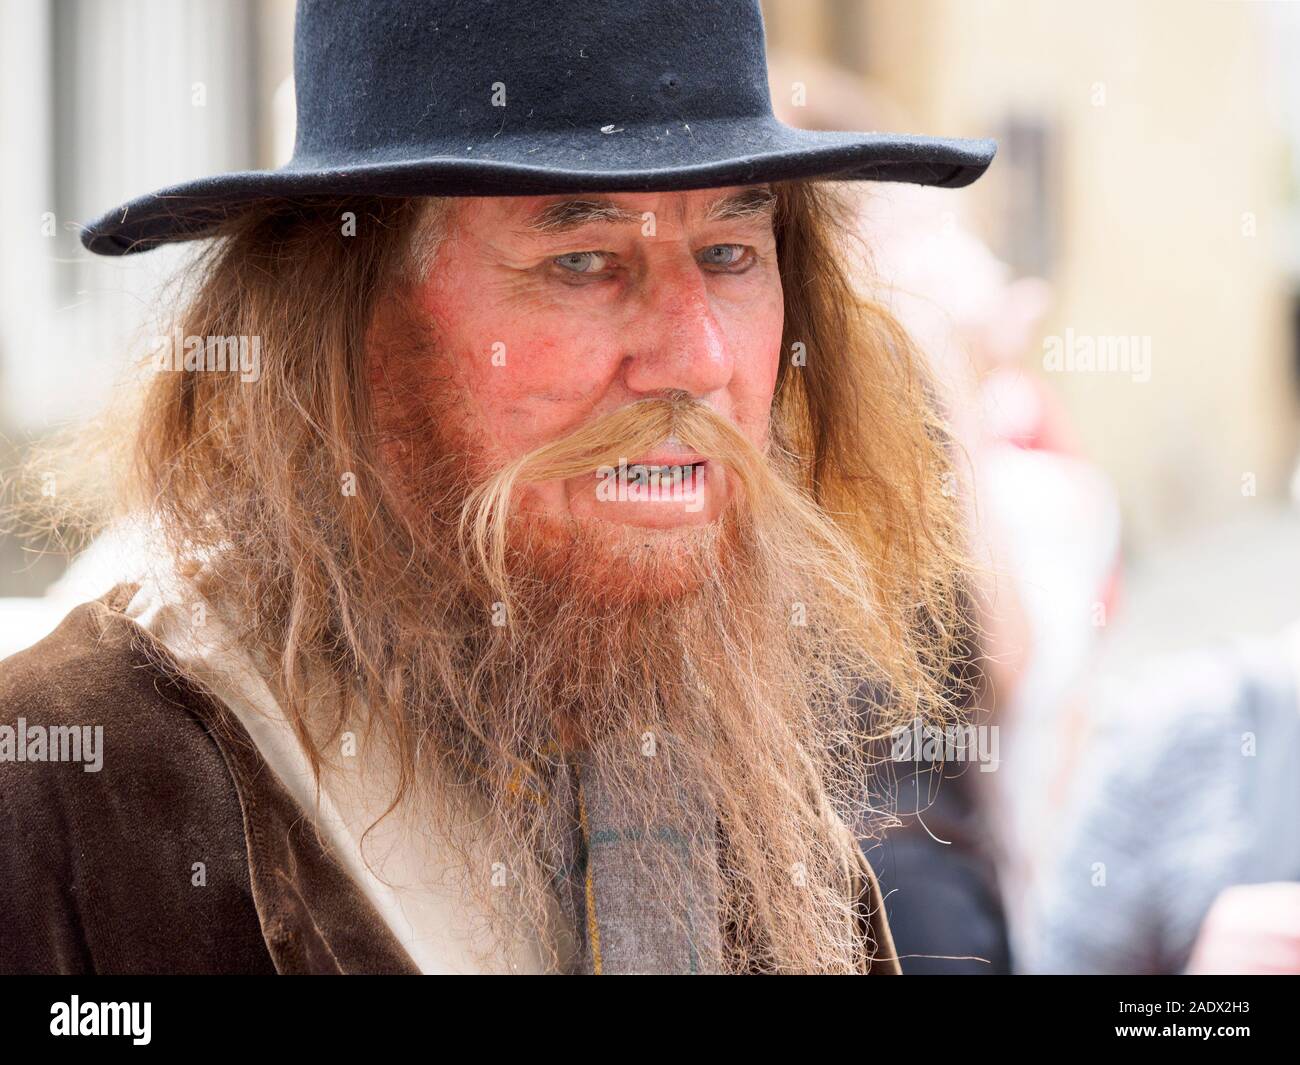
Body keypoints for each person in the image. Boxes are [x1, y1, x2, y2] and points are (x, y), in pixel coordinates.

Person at [0, 0, 994, 974]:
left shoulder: (748, 796)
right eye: (583, 261)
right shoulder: (63, 790)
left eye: (730, 253)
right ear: (339, 325)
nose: (695, 359)